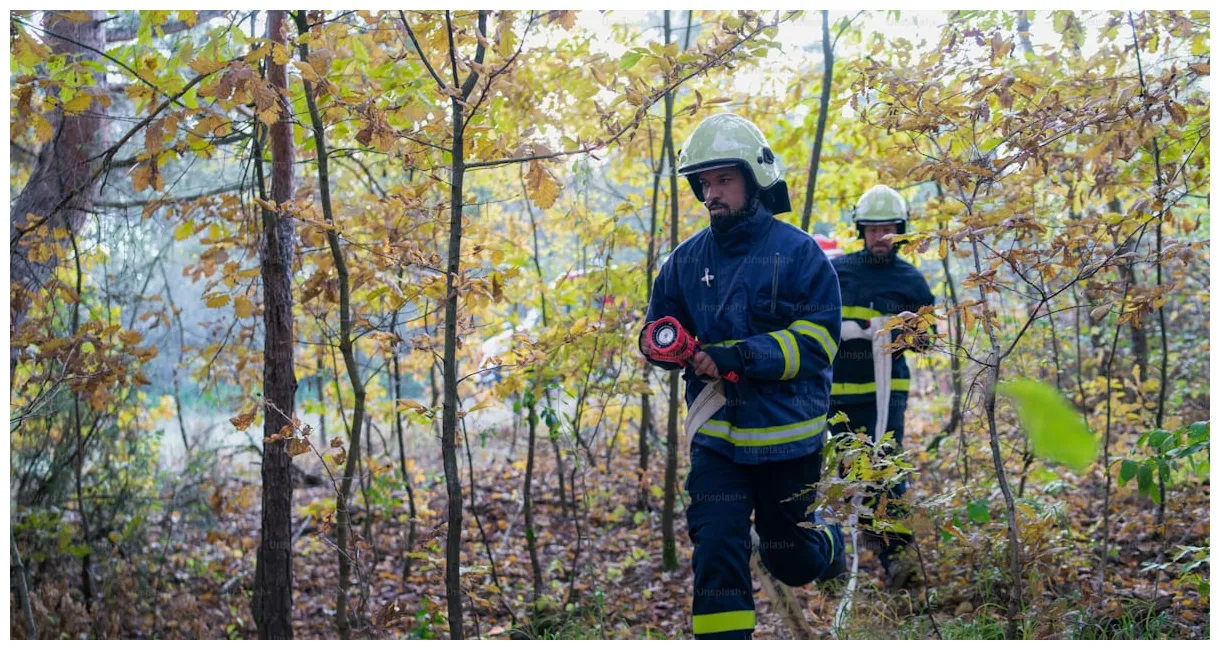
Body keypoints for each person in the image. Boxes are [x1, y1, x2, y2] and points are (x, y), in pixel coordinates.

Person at [638, 113, 846, 640]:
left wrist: (739, 356)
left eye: (724, 180)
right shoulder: (683, 263)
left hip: (788, 441)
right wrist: (664, 348)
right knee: (716, 554)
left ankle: (830, 548)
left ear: (755, 179)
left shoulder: (801, 255)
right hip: (718, 443)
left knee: (789, 560)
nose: (712, 194)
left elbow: (820, 342)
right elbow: (658, 331)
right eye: (704, 183)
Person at [828, 184, 936, 589]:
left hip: (887, 396)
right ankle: (832, 561)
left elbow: (928, 338)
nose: (880, 237)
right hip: (837, 396)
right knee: (839, 474)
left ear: (900, 230)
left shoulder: (911, 281)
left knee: (886, 472)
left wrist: (895, 333)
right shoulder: (835, 272)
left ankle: (896, 561)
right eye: (872, 230)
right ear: (861, 230)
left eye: (888, 229)